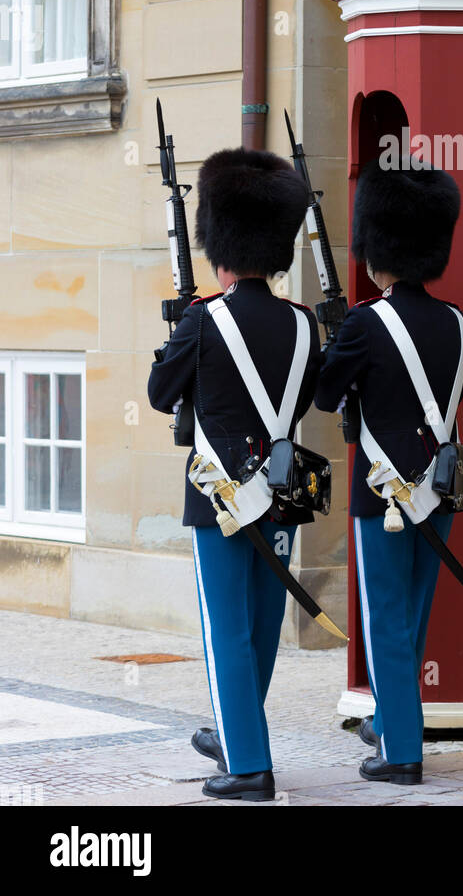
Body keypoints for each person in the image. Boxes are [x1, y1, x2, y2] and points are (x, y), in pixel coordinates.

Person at [148, 147, 319, 802]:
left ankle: (248, 766)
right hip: (281, 491)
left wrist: (178, 334)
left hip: (221, 494)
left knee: (226, 629)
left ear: (219, 242)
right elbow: (303, 402)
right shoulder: (303, 325)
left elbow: (162, 392)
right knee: (261, 625)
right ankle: (236, 730)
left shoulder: (203, 319)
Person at [315, 157, 463, 785]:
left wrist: (339, 348)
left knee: (384, 618)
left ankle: (402, 752)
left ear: (377, 247)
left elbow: (327, 397)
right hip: (439, 491)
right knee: (414, 613)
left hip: (382, 494)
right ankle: (391, 718)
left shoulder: (364, 322)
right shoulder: (458, 322)